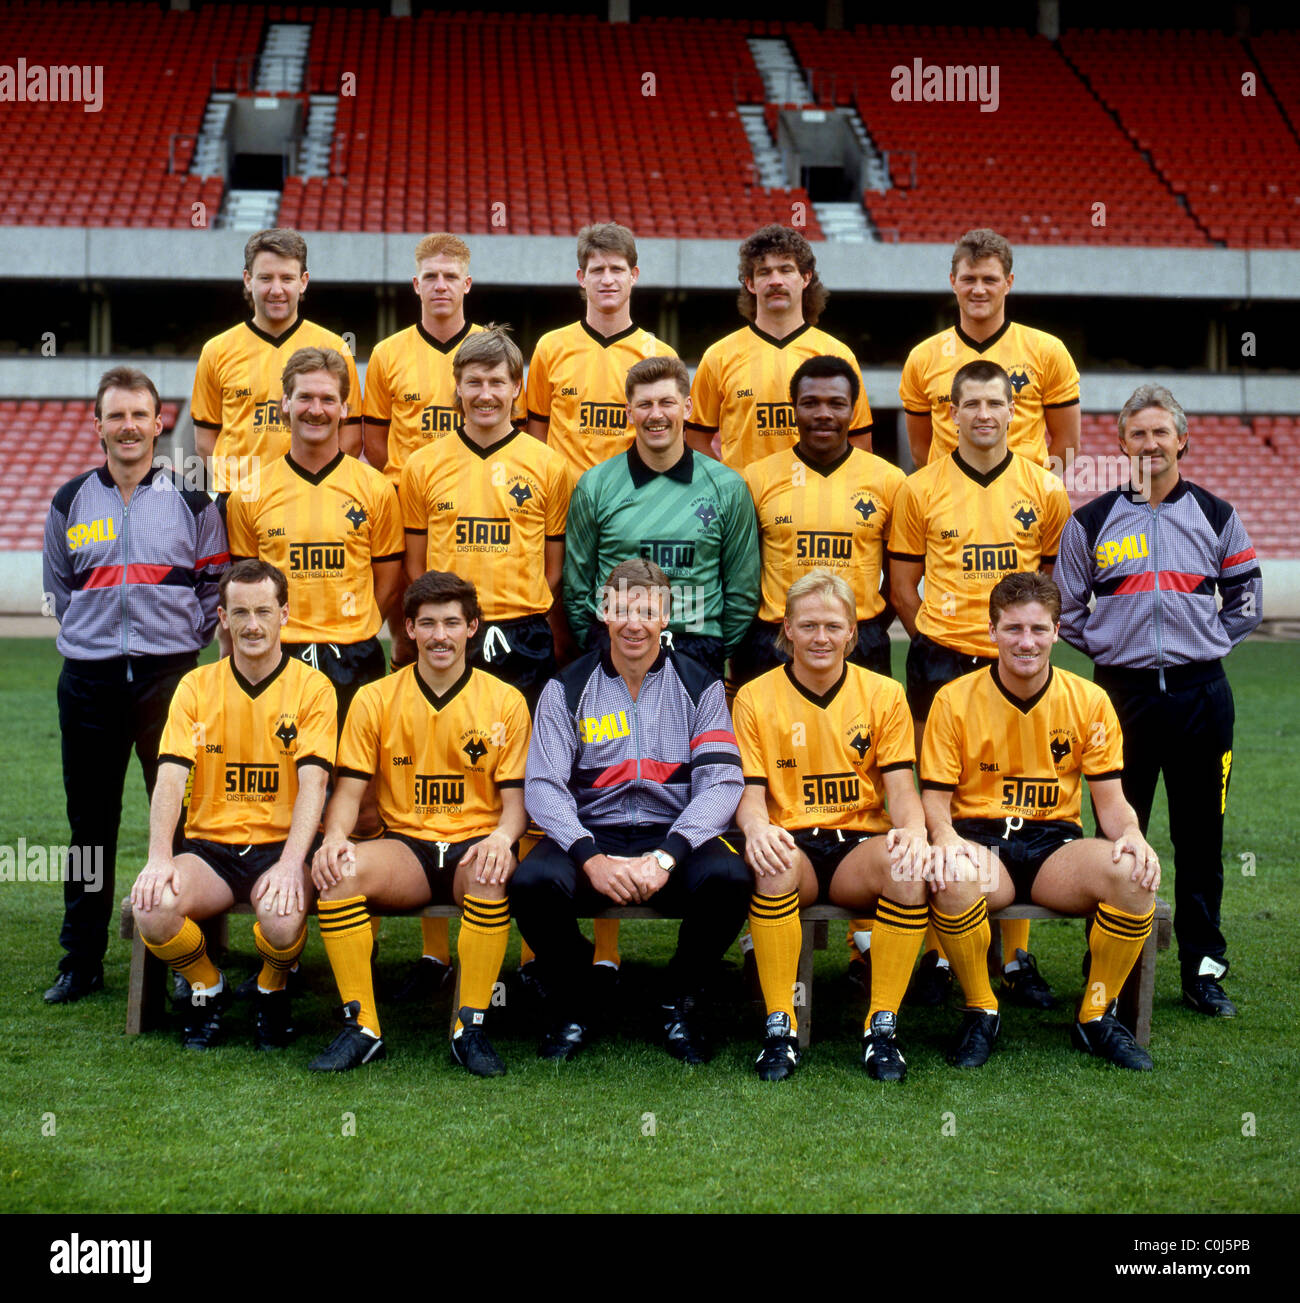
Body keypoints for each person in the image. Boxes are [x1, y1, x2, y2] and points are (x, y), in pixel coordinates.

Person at [1055, 385, 1263, 1017]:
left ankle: (1203, 971)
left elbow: (1247, 598)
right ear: (1120, 444)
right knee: (1119, 838)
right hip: (1120, 699)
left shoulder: (1217, 513)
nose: (1150, 444)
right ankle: (1107, 973)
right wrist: (1116, 647)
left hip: (1203, 697)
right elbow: (1064, 610)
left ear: (1182, 439)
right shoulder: (1090, 521)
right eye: (1137, 434)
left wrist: (1198, 647)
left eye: (1160, 433)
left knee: (1201, 840)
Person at [920, 571, 1162, 1070]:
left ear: (1056, 630)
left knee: (1134, 878)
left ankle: (1095, 1015)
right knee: (953, 878)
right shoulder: (953, 699)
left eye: (1037, 629)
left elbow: (1110, 803)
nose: (1025, 642)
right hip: (981, 839)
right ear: (991, 631)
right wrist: (943, 837)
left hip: (1055, 847)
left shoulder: (1089, 701)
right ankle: (982, 1010)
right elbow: (935, 798)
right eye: (1012, 629)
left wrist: (1134, 835)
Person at [512, 559, 750, 1063]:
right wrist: (590, 857)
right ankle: (576, 998)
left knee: (730, 878)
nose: (634, 623)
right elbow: (543, 787)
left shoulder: (700, 685)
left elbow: (722, 783)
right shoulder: (566, 687)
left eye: (647, 610)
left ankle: (677, 997)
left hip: (672, 833)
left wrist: (666, 857)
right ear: (604, 612)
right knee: (532, 884)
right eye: (622, 609)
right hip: (592, 832)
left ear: (666, 615)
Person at [42, 366, 228, 1004]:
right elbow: (62, 593)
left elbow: (213, 592)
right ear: (98, 426)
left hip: (169, 680)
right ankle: (81, 959)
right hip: (89, 684)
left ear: (158, 423)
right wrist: (98, 642)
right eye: (114, 415)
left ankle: (187, 955)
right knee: (88, 825)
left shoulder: (191, 501)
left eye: (138, 415)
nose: (127, 426)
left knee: (179, 823)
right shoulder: (69, 501)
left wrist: (174, 646)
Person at [889, 358, 1071, 1008]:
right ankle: (943, 953)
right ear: (952, 413)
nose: (986, 414)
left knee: (1014, 793)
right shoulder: (919, 488)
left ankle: (1017, 955)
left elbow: (1048, 585)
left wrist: (1011, 646)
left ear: (1015, 410)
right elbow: (903, 585)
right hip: (940, 663)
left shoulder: (1045, 488)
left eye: (998, 402)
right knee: (941, 794)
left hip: (1017, 665)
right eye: (973, 404)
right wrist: (940, 636)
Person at [396, 325, 569, 1000]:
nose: (486, 392)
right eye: (474, 381)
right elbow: (416, 564)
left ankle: (527, 955)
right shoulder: (423, 464)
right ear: (457, 388)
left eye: (499, 381)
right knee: (437, 769)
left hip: (520, 638)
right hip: (447, 636)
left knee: (517, 786)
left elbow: (550, 566)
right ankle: (437, 952)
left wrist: (523, 617)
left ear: (517, 389)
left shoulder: (548, 465)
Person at [307, 571, 530, 1075]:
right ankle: (362, 1027)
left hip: (475, 841)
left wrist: (501, 836)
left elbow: (516, 802)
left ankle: (468, 1026)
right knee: (338, 872)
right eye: (427, 623)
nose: (439, 635)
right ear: (408, 628)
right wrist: (335, 837)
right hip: (406, 845)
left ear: (472, 627)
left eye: (452, 622)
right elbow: (348, 792)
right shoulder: (375, 698)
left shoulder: (505, 701)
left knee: (491, 873)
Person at [129, 560, 335, 1049]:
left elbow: (314, 784)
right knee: (152, 909)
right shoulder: (196, 687)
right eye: (240, 612)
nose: (252, 625)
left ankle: (271, 987)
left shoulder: (313, 687)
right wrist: (159, 857)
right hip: (211, 850)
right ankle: (206, 985)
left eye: (264, 611)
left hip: (280, 846)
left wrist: (290, 865)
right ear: (222, 617)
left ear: (285, 614)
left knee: (282, 921)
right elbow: (171, 777)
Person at [734, 570, 928, 1081]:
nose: (821, 637)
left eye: (833, 626)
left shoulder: (884, 694)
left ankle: (881, 1026)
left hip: (857, 846)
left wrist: (913, 831)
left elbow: (903, 790)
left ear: (852, 633)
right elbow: (750, 796)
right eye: (809, 625)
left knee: (908, 868)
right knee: (773, 866)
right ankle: (780, 1027)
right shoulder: (754, 696)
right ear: (787, 631)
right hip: (792, 841)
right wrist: (756, 830)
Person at [225, 346, 403, 734]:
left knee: (358, 787)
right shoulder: (249, 494)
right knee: (280, 787)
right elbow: (244, 586)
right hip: (277, 657)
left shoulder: (376, 489)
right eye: (304, 397)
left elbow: (388, 577)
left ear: (344, 409)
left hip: (355, 656)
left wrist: (353, 623)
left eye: (328, 399)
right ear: (285, 404)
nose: (315, 409)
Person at [563, 355, 759, 682]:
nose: (656, 415)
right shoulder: (595, 485)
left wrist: (714, 648)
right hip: (617, 646)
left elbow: (743, 589)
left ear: (687, 408)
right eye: (645, 404)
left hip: (697, 648)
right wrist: (600, 641)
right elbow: (576, 588)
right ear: (629, 413)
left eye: (667, 402)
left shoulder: (728, 487)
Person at [736, 354, 904, 685]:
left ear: (853, 410)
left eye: (836, 404)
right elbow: (741, 573)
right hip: (773, 642)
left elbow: (899, 577)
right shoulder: (756, 478)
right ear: (794, 409)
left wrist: (866, 626)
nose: (823, 414)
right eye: (810, 403)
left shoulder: (889, 480)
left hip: (860, 642)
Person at [686, 224, 872, 468]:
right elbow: (696, 440)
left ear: (805, 278)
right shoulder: (718, 356)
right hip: (746, 503)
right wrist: (726, 486)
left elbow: (860, 444)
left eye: (786, 270)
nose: (775, 281)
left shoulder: (837, 354)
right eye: (765, 272)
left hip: (815, 501)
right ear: (750, 284)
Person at [192, 228, 361, 496]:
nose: (277, 289)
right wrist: (239, 489)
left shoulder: (334, 349)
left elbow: (350, 437)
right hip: (239, 500)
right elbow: (205, 441)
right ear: (247, 280)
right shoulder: (216, 350)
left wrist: (318, 485)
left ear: (303, 281)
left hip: (311, 497)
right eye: (266, 278)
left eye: (287, 278)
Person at [900, 227, 1079, 469]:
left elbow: (1068, 443)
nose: (979, 290)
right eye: (969, 279)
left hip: (1020, 502)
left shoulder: (1047, 350)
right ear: (953, 282)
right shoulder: (923, 357)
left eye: (990, 280)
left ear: (1008, 283)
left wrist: (1035, 488)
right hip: (950, 501)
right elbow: (920, 449)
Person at [363, 232, 525, 487]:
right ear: (416, 285)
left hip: (478, 493)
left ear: (467, 283)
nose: (440, 286)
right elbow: (374, 444)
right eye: (430, 277)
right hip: (406, 498)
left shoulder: (498, 349)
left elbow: (517, 431)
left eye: (450, 276)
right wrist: (412, 480)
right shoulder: (385, 353)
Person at [526, 222, 677, 488]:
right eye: (597, 270)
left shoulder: (662, 356)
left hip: (633, 503)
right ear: (581, 277)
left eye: (617, 269)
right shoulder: (550, 347)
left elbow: (672, 442)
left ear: (634, 275)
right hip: (565, 504)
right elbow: (537, 435)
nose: (607, 280)